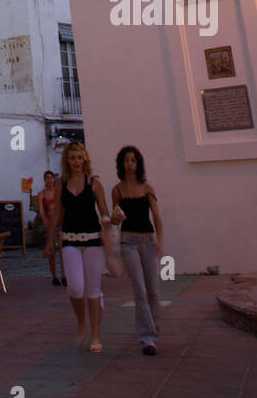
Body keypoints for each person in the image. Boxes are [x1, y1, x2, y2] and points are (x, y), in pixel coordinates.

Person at [44, 142, 111, 353]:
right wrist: (49, 242)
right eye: (72, 158)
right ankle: (82, 321)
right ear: (67, 160)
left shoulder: (93, 183)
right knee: (75, 288)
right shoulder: (60, 184)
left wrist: (110, 224)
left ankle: (96, 336)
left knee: (93, 290)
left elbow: (104, 212)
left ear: (85, 160)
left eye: (79, 158)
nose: (76, 162)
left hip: (93, 241)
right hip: (70, 240)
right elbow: (56, 215)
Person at [111, 145, 164, 357]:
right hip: (128, 242)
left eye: (133, 160)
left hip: (148, 241)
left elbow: (157, 216)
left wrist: (160, 240)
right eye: (126, 160)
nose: (130, 164)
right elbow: (115, 218)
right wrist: (115, 218)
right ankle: (147, 338)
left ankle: (153, 327)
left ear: (138, 163)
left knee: (154, 291)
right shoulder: (117, 190)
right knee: (140, 291)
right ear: (121, 164)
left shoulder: (147, 188)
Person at [38, 170, 64, 286]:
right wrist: (45, 221)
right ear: (44, 179)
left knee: (63, 250)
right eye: (47, 177)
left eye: (51, 177)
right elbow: (41, 210)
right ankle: (54, 276)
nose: (49, 180)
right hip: (49, 223)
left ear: (54, 179)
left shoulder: (58, 192)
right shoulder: (42, 194)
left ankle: (64, 275)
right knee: (51, 251)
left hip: (59, 223)